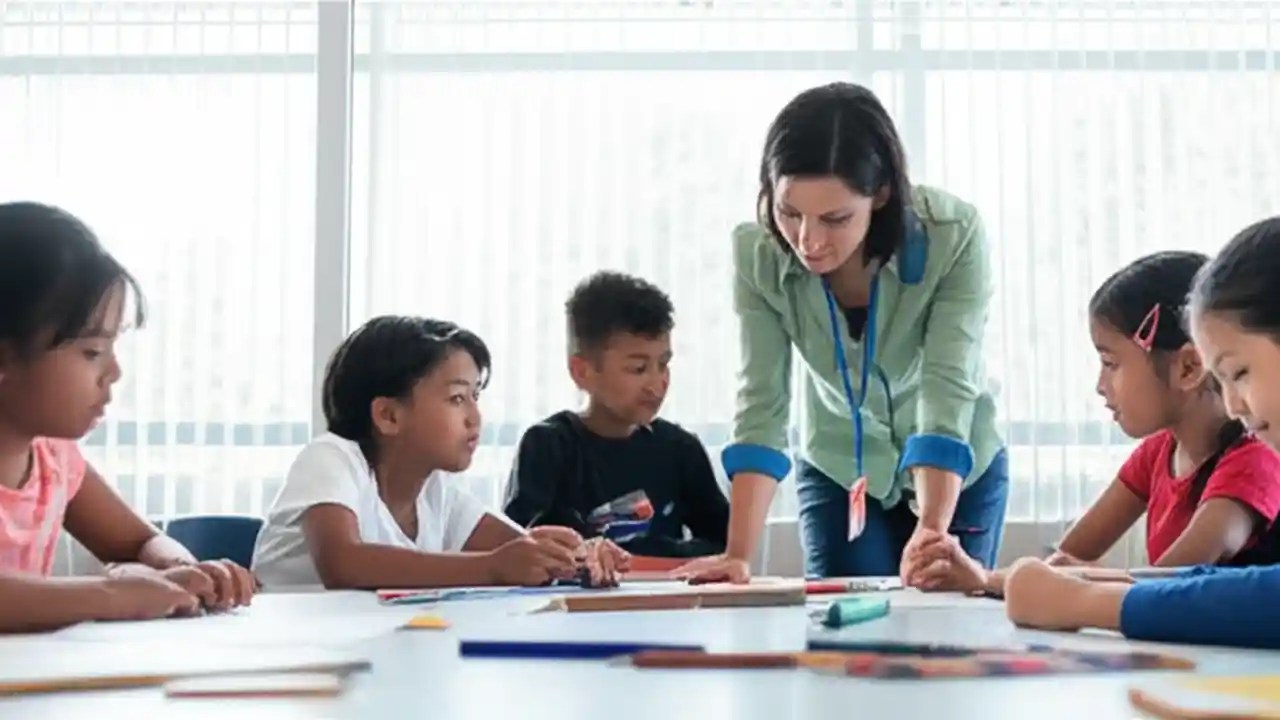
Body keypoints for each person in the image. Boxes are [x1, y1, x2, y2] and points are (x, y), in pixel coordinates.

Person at [679, 82, 1007, 585]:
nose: (808, 241)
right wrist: (737, 555)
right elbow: (761, 402)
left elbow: (949, 386)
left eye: (835, 218)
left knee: (942, 635)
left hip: (957, 463)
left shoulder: (952, 234)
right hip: (839, 464)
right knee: (846, 646)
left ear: (880, 194)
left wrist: (933, 531)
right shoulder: (756, 254)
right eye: (790, 212)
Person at [909, 252, 1280, 594]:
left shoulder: (1253, 462)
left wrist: (1023, 579)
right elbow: (1065, 557)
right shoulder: (1157, 453)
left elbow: (1173, 583)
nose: (1100, 387)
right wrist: (983, 578)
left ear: (1188, 367)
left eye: (1111, 364)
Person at [1003, 217, 1280, 649]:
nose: (1232, 405)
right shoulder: (1159, 452)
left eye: (1240, 373)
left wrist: (1083, 600)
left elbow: (1250, 594)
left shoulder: (1253, 458)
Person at [0, 202, 254, 632]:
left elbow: (141, 540)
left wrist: (178, 567)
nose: (113, 372)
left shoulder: (55, 460)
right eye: (92, 352)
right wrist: (111, 594)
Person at [252, 315, 630, 589]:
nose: (474, 416)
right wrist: (493, 568)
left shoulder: (436, 491)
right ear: (388, 415)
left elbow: (518, 550)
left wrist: (579, 555)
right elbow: (343, 565)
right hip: (294, 663)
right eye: (456, 398)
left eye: (475, 397)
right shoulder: (331, 458)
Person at [503, 271, 730, 560]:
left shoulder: (681, 449)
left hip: (663, 598)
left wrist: (645, 555)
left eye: (663, 364)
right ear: (582, 372)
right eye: (638, 368)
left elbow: (722, 542)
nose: (656, 383)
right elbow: (524, 545)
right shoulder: (548, 445)